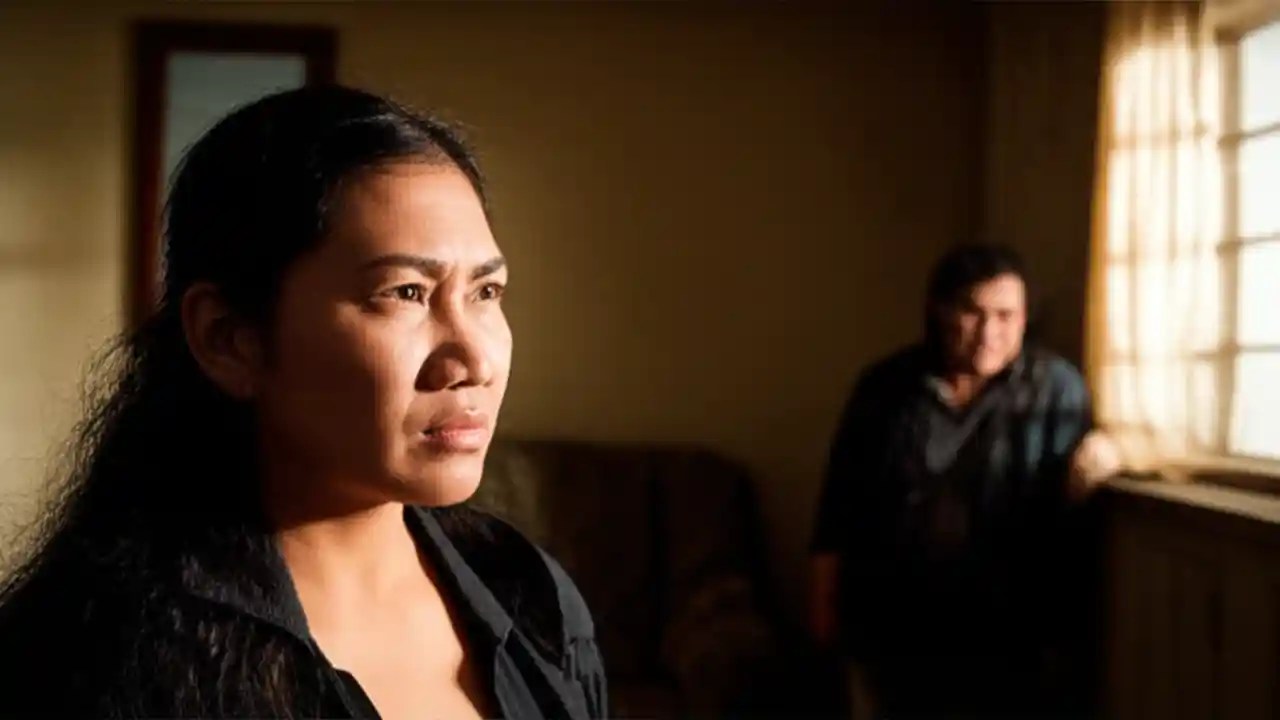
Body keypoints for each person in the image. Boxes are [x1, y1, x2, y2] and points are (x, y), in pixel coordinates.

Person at [0, 85, 607, 719]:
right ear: (229, 339)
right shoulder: (103, 668)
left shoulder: (529, 597)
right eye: (405, 292)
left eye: (486, 292)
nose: (474, 363)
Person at [808, 243, 1120, 719]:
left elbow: (1070, 528)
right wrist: (823, 606)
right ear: (938, 310)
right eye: (972, 313)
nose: (988, 333)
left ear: (1024, 318)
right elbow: (839, 503)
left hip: (1006, 632)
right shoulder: (884, 388)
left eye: (1005, 316)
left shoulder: (1055, 390)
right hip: (893, 622)